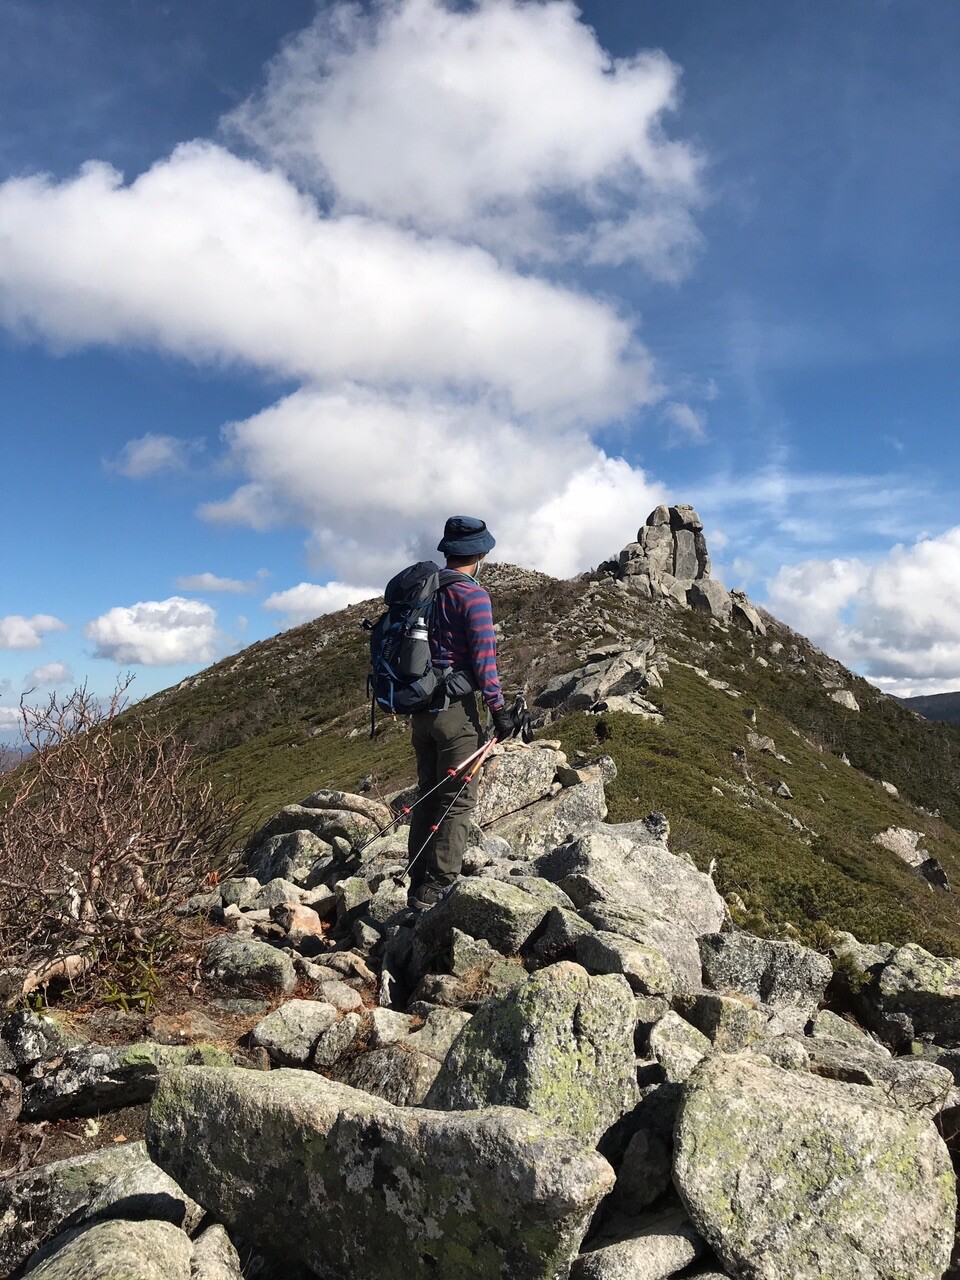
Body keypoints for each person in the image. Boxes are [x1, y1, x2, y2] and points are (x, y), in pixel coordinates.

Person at [406, 516, 515, 911]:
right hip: (456, 716)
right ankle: (436, 889)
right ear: (481, 553)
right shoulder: (474, 597)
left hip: (420, 711)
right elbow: (485, 661)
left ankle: (416, 880)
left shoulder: (425, 591)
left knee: (428, 795)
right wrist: (499, 711)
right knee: (455, 801)